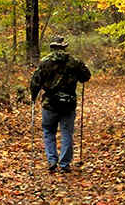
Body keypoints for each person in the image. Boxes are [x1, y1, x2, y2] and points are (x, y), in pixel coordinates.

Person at [30, 35, 91, 173]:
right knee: (67, 133)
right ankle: (64, 164)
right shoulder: (74, 61)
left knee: (48, 131)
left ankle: (52, 160)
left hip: (49, 103)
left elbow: (35, 81)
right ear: (64, 47)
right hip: (68, 103)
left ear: (52, 47)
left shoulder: (45, 62)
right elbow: (86, 76)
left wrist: (33, 97)